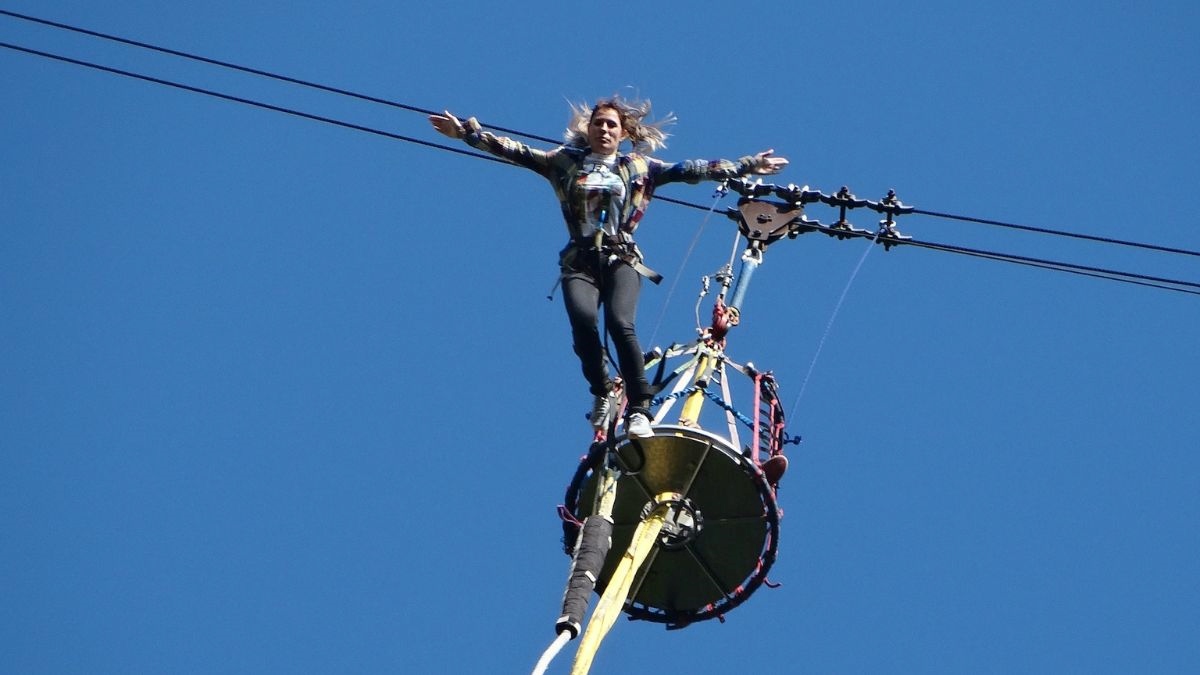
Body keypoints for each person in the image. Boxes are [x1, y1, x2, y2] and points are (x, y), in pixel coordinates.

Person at [429, 96, 787, 438]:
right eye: (598, 123)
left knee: (620, 324)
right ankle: (602, 391)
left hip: (622, 260)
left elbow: (694, 169)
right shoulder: (564, 162)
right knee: (584, 322)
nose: (604, 130)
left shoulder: (640, 168)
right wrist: (467, 134)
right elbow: (516, 151)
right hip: (579, 261)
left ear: (623, 134)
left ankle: (639, 410)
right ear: (588, 129)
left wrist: (747, 165)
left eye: (611, 125)